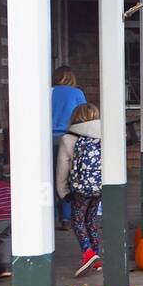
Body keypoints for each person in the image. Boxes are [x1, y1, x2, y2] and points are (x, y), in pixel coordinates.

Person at [56, 102, 103, 276]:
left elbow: (63, 166)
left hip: (80, 189)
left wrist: (63, 191)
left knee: (77, 221)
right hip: (99, 186)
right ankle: (96, 257)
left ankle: (88, 252)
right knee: (90, 220)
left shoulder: (69, 138)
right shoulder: (104, 134)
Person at [51, 66, 87, 228]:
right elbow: (83, 116)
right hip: (70, 139)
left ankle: (50, 216)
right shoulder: (77, 93)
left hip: (48, 139)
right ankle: (66, 218)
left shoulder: (47, 92)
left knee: (49, 178)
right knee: (67, 179)